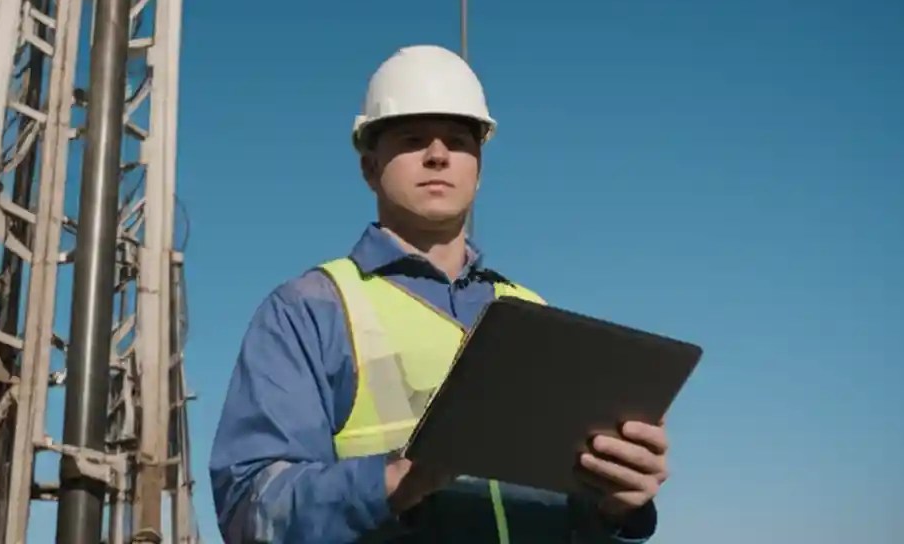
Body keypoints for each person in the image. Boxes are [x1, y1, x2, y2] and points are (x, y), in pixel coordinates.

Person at [209, 45, 671, 542]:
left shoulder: (531, 312)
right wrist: (392, 481)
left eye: (457, 140)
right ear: (370, 168)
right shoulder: (311, 309)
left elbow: (564, 510)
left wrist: (617, 506)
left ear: (478, 168)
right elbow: (249, 508)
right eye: (412, 139)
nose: (437, 155)